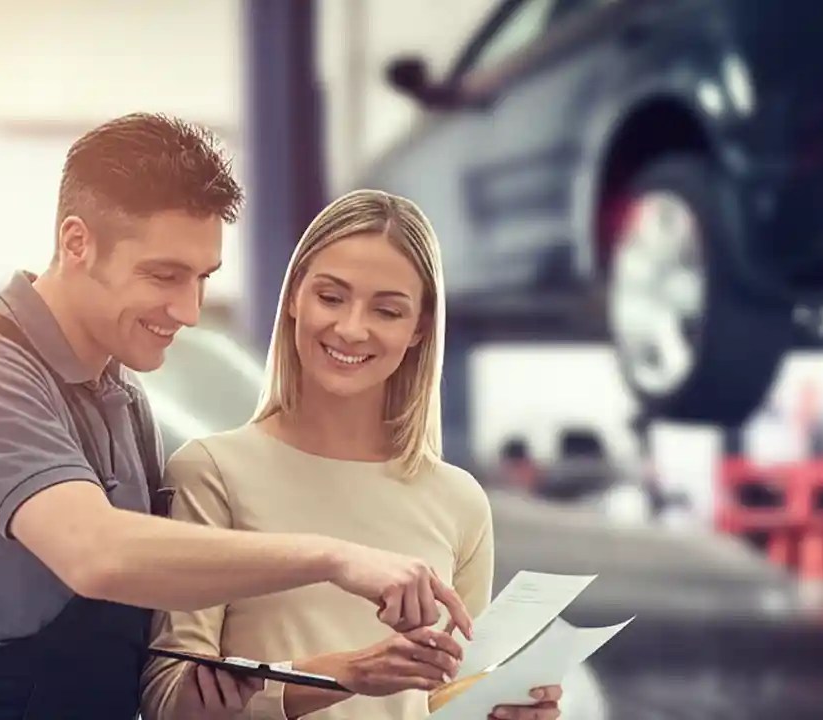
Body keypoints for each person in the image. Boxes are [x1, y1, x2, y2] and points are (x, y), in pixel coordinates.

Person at [0, 115, 472, 720]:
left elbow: (162, 658)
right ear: (77, 242)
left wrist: (323, 675)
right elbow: (98, 554)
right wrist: (337, 558)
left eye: (203, 278)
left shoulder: (123, 395)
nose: (189, 310)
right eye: (165, 276)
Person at [141, 189, 564, 720]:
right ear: (294, 297)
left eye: (387, 310)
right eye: (331, 297)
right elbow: (167, 702)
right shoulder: (212, 473)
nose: (351, 328)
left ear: (420, 329)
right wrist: (346, 674)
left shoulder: (459, 502)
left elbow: (445, 702)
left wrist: (500, 713)